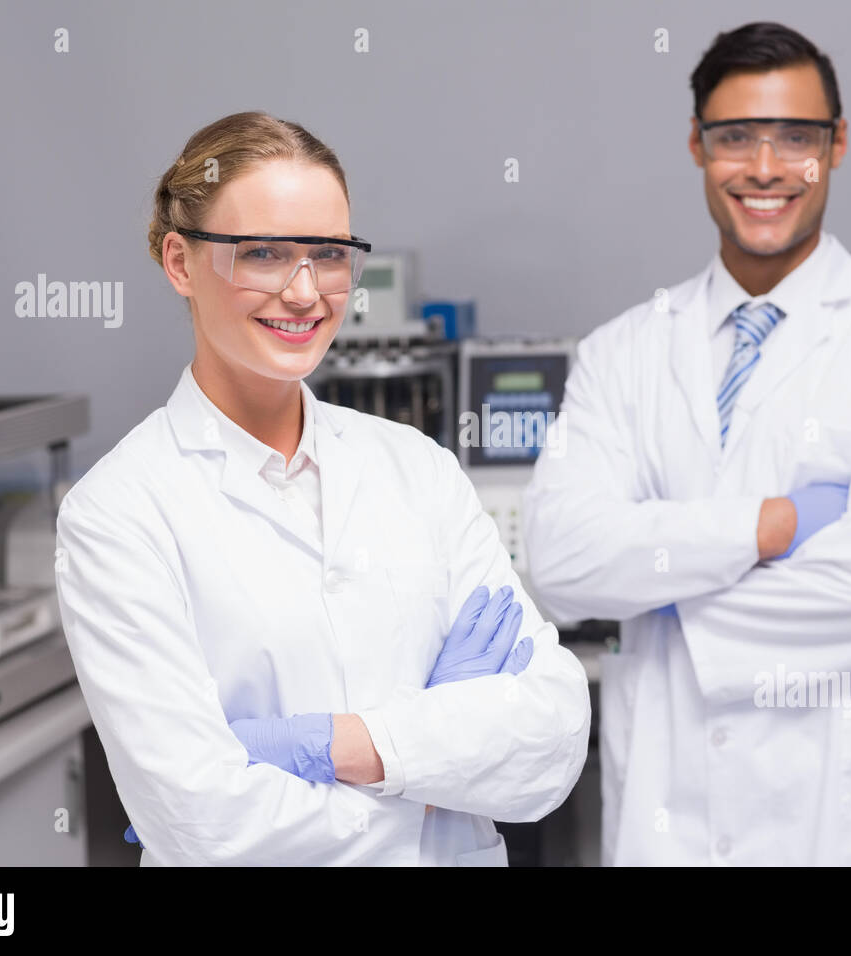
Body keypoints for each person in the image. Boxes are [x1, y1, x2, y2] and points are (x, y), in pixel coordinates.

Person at [54, 111, 590, 866]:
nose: (305, 292)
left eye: (330, 255)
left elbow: (554, 740)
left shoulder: (418, 469)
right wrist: (434, 771)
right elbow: (205, 823)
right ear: (180, 262)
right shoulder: (119, 511)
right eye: (264, 253)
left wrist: (338, 745)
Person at [523, 22, 851, 865]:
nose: (767, 167)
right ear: (698, 147)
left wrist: (662, 591)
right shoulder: (623, 353)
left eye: (797, 137)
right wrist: (772, 527)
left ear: (838, 145)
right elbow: (559, 563)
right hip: (680, 817)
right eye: (735, 136)